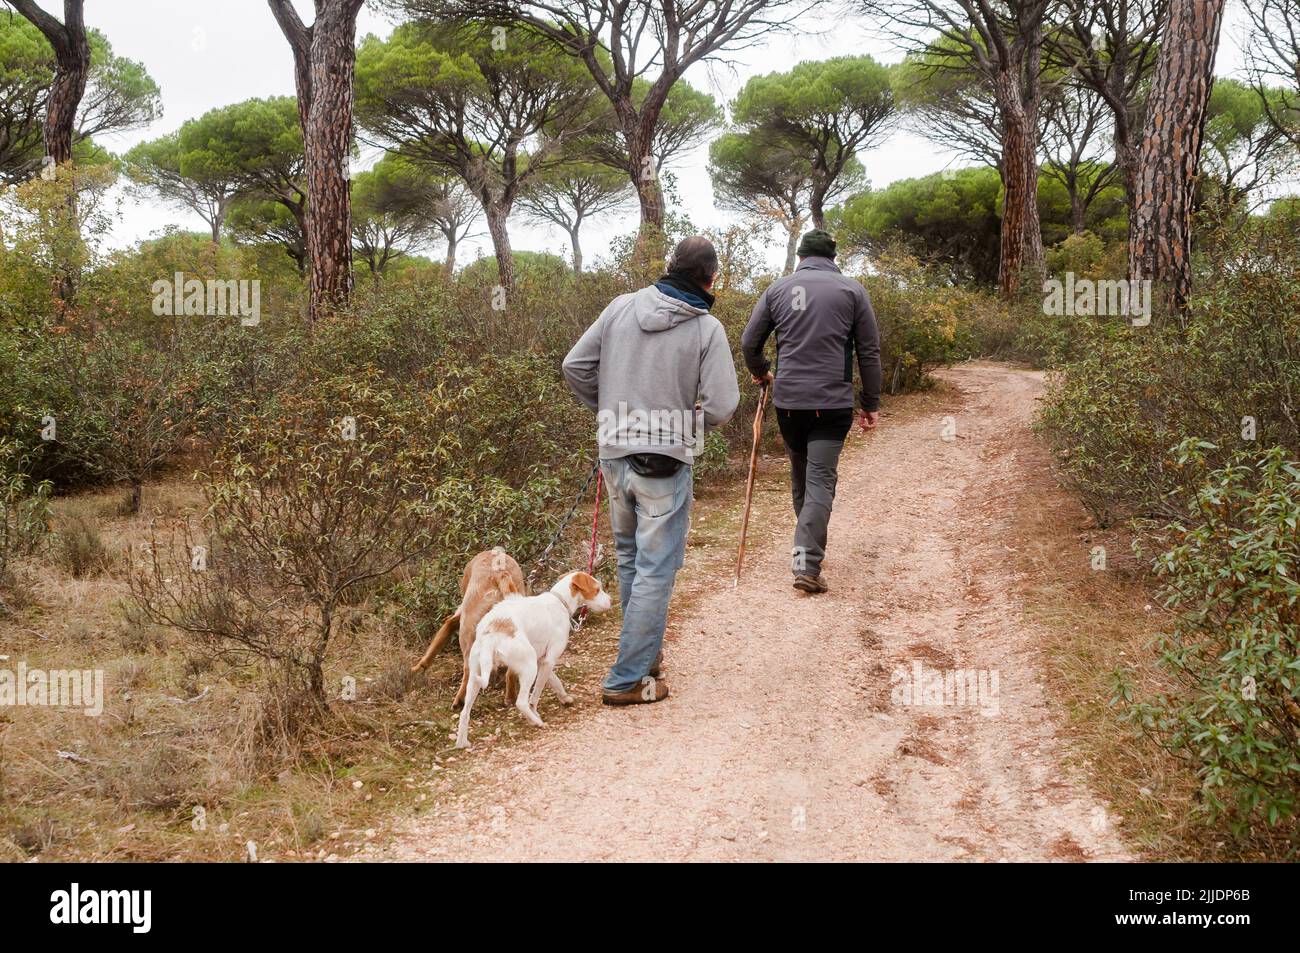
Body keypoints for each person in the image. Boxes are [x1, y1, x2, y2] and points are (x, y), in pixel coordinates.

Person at [562, 236, 740, 704]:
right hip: (663, 463)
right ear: (711, 277)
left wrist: (612, 415)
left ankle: (645, 659)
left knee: (631, 560)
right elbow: (723, 404)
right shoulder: (707, 329)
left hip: (614, 453)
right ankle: (627, 680)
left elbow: (575, 365)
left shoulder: (619, 307)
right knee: (656, 570)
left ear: (670, 266)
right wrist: (685, 427)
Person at [740, 228, 881, 594]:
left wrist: (761, 371)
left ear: (801, 257)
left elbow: (749, 341)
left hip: (788, 403)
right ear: (834, 258)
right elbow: (869, 352)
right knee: (820, 481)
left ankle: (807, 550)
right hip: (832, 404)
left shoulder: (777, 289)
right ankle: (807, 563)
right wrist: (870, 404)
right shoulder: (852, 291)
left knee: (802, 475)